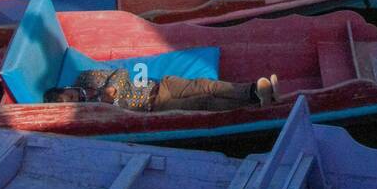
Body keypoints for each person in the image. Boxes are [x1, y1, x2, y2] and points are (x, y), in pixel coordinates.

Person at [43, 69, 279, 113]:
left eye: (73, 95)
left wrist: (110, 89)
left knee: (205, 84)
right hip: (156, 106)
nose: (79, 98)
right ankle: (254, 105)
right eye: (73, 102)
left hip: (159, 85)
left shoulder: (85, 78)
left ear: (69, 88)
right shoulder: (88, 111)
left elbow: (122, 73)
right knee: (203, 102)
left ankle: (252, 90)